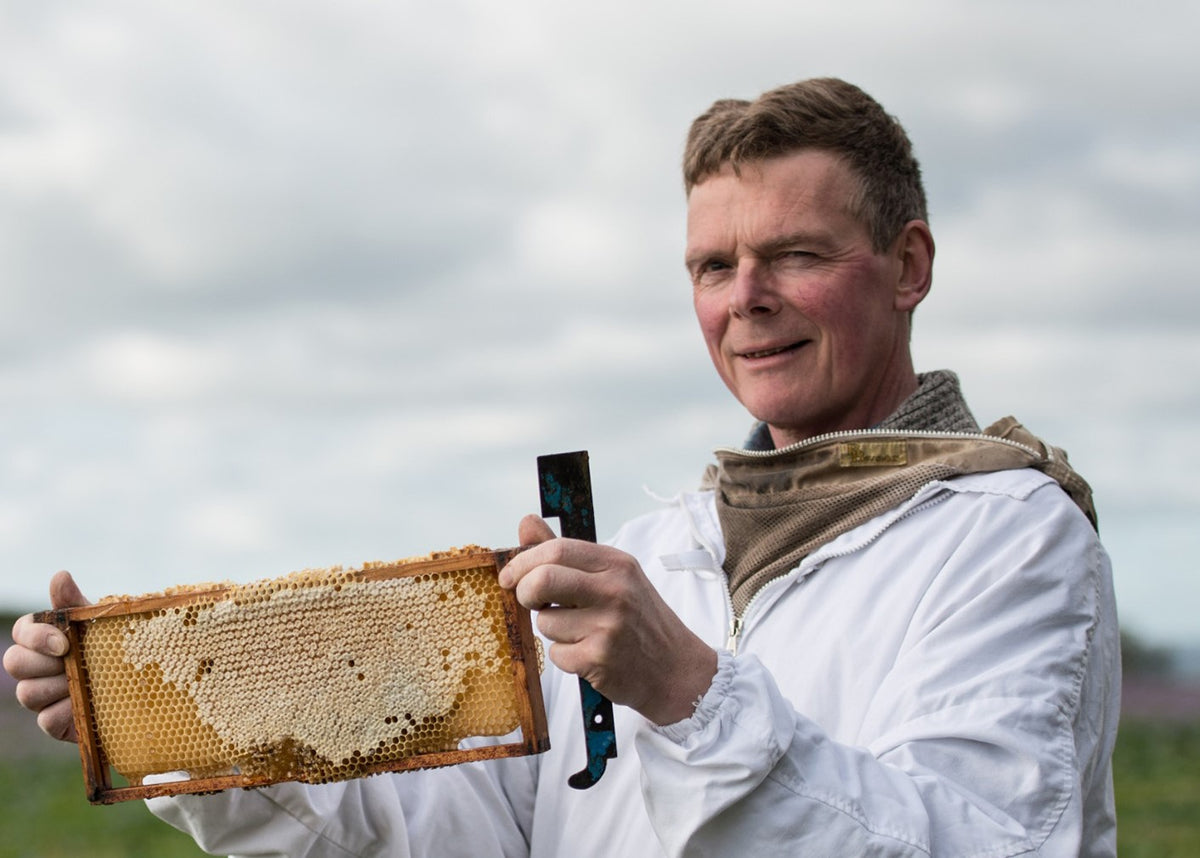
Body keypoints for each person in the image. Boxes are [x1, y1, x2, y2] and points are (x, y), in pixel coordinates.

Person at [4, 77, 1120, 857]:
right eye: (713, 264)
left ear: (909, 264)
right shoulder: (655, 551)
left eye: (796, 255)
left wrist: (685, 694)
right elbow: (479, 838)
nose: (746, 299)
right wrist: (189, 727)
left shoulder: (1008, 535)